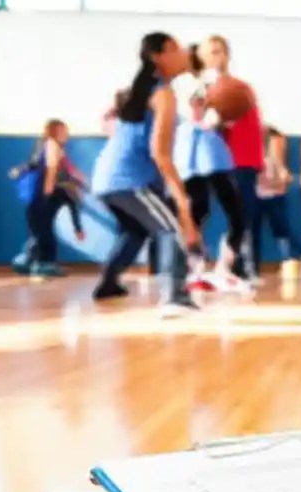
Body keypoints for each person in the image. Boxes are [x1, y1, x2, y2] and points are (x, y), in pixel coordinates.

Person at [90, 32, 201, 316]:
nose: (183, 52)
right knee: (170, 228)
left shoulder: (146, 89)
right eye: (175, 48)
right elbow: (160, 153)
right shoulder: (162, 94)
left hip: (106, 179)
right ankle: (175, 297)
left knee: (135, 231)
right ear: (158, 57)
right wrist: (182, 202)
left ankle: (109, 283)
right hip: (128, 181)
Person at [174, 40, 249, 295]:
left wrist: (223, 113)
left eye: (219, 51)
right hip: (192, 154)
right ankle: (193, 272)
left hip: (212, 152)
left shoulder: (224, 84)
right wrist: (211, 110)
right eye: (210, 52)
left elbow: (228, 114)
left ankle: (222, 270)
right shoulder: (187, 84)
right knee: (198, 213)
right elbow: (197, 112)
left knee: (236, 216)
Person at [203, 35, 271, 283]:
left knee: (248, 217)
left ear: (228, 55)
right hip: (226, 162)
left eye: (219, 51)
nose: (216, 56)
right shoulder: (206, 93)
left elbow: (256, 127)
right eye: (211, 52)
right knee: (237, 217)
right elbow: (207, 127)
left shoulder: (241, 89)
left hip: (247, 162)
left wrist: (262, 162)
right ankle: (231, 267)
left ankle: (242, 267)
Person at [9, 120, 86, 278]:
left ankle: (35, 260)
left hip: (40, 194)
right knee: (42, 229)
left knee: (39, 228)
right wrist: (48, 189)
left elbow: (67, 169)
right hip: (42, 192)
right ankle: (42, 262)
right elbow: (51, 167)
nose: (67, 135)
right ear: (55, 131)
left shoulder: (46, 146)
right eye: (64, 131)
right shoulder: (52, 145)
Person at [253, 127, 301, 281]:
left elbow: (281, 181)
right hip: (258, 198)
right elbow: (257, 179)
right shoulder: (255, 156)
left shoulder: (276, 160)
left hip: (274, 198)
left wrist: (278, 181)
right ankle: (253, 269)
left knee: (283, 231)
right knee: (253, 233)